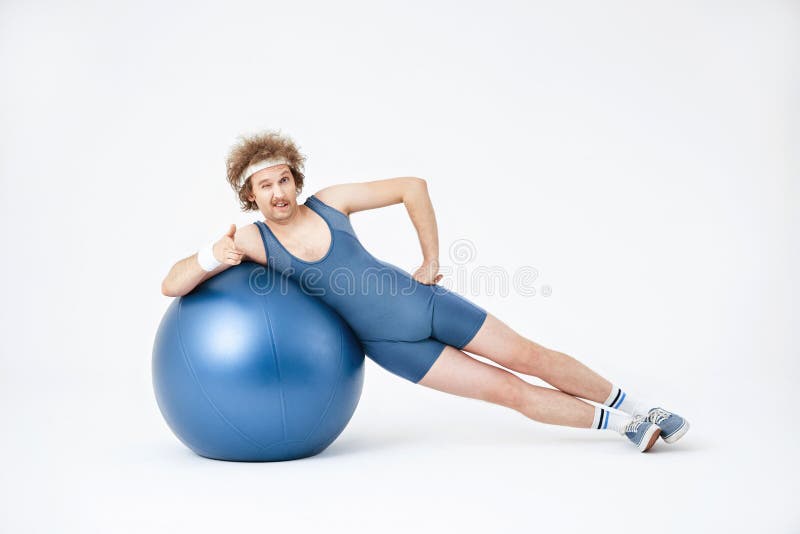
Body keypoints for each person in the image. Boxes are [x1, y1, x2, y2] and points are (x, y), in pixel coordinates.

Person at [161, 130, 689, 452]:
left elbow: (412, 187)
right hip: (394, 348)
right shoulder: (252, 240)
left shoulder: (331, 202)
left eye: (283, 180)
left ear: (296, 179)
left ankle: (644, 408)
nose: (278, 192)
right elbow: (172, 283)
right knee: (510, 392)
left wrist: (431, 259)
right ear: (250, 194)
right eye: (265, 185)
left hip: (425, 305)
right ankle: (624, 427)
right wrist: (212, 256)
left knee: (532, 357)